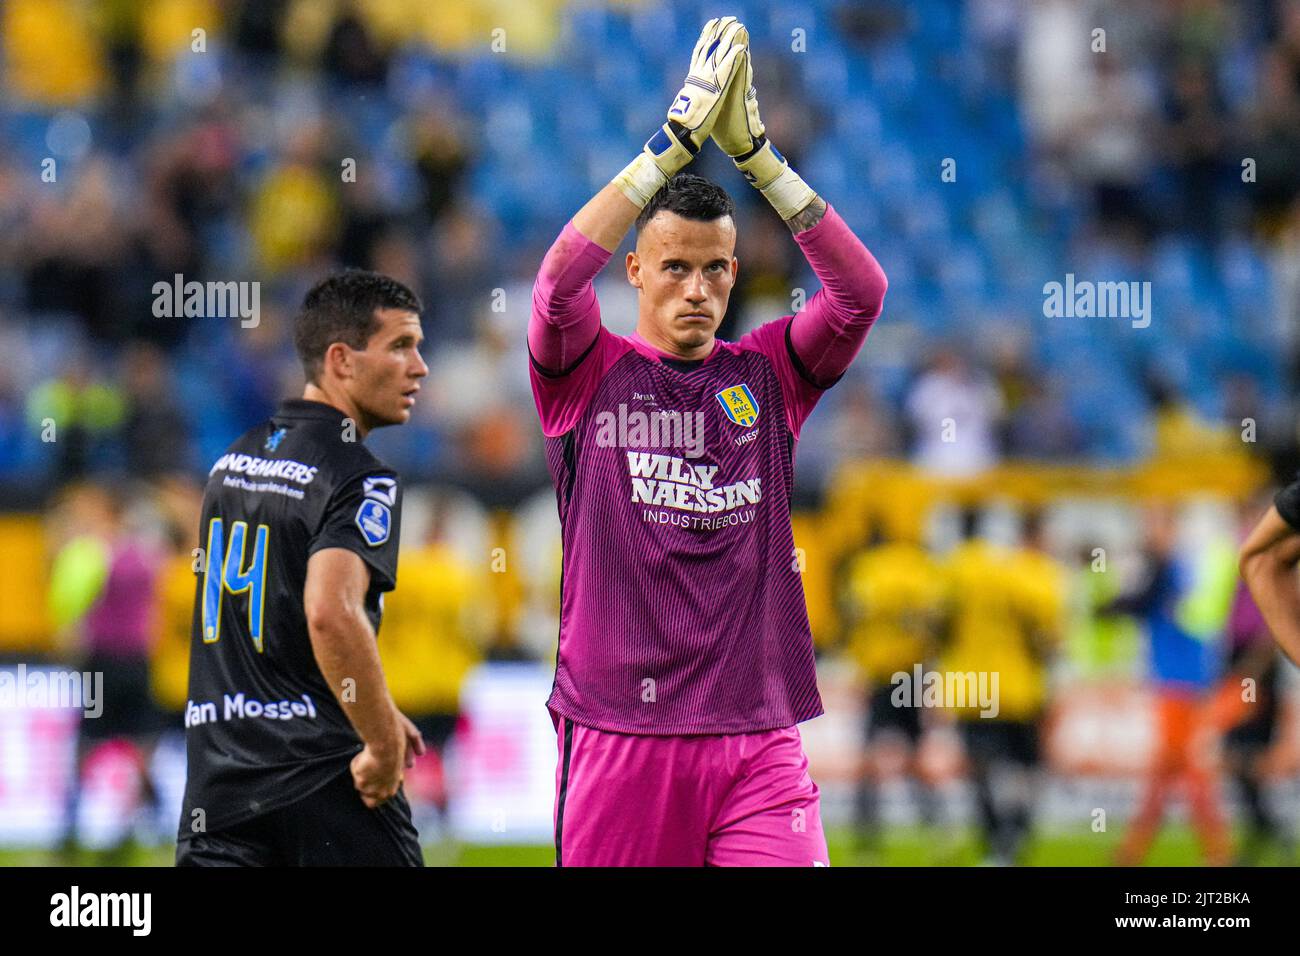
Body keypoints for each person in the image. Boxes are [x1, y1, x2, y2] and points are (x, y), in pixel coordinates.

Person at [528, 18, 888, 866]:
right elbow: (552, 287)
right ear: (637, 272)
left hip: (759, 733)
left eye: (717, 268)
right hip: (623, 730)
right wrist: (669, 147)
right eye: (676, 267)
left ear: (736, 272)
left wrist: (760, 159)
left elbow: (860, 294)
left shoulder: (767, 373)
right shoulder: (588, 372)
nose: (698, 288)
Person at [175, 270, 429, 866]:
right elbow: (327, 612)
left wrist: (379, 704)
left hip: (219, 787)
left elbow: (270, 622)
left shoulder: (231, 461)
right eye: (401, 346)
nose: (420, 367)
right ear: (341, 360)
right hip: (320, 780)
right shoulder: (359, 476)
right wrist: (381, 741)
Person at [1099, 504, 1230, 866]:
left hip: (1180, 682)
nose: (1148, 533)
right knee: (1170, 770)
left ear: (1170, 529)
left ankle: (1215, 852)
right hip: (1179, 680)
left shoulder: (1169, 567)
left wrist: (1106, 609)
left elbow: (1140, 601)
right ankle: (1138, 850)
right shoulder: (1177, 569)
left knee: (1185, 770)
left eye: (1155, 524)